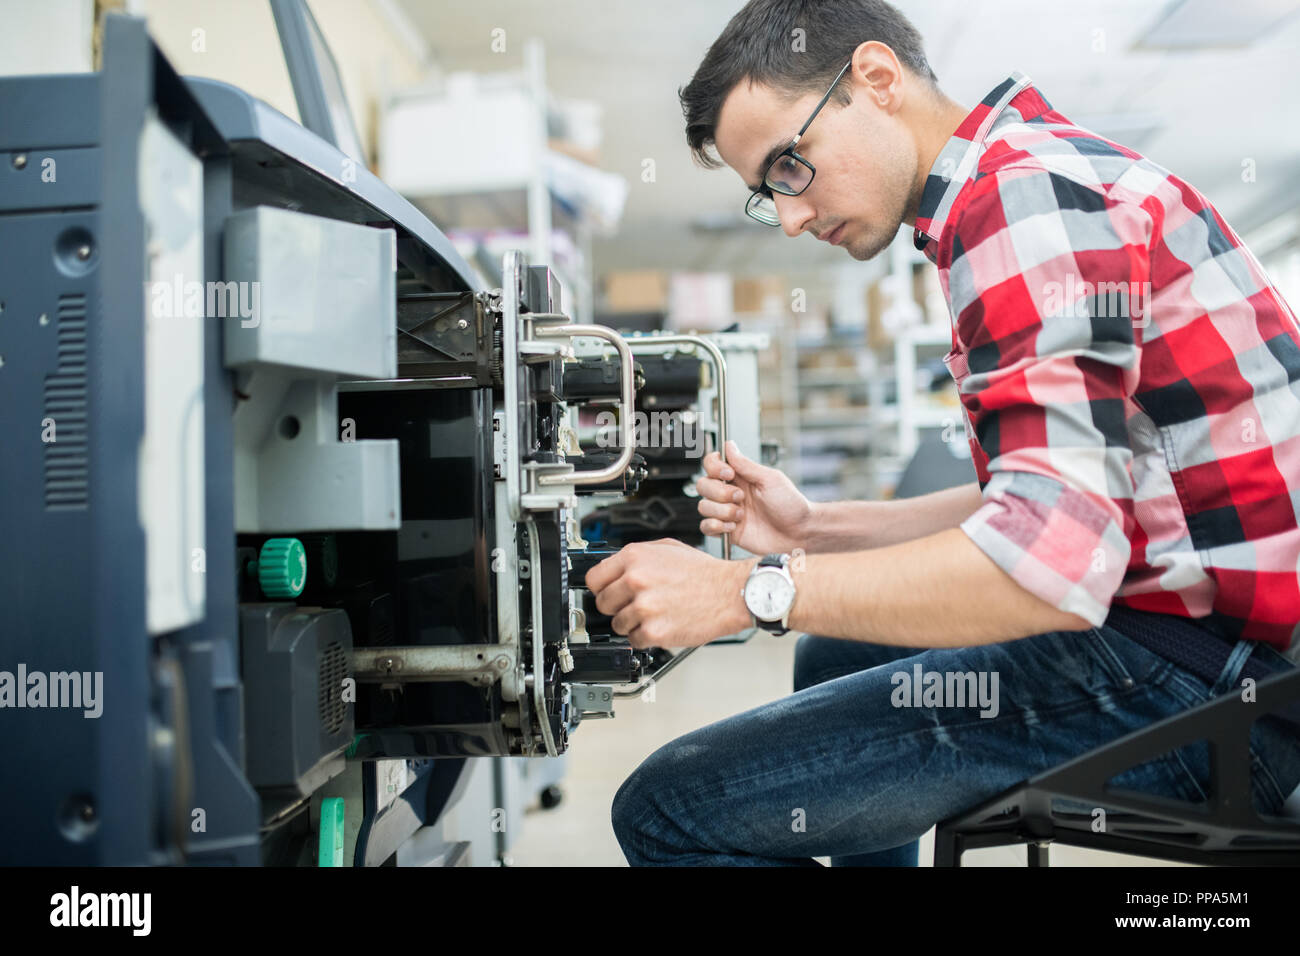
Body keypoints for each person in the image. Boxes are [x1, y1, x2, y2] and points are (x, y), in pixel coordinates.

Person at [583, 0, 1300, 865]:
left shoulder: (1020, 203)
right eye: (767, 195)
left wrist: (748, 592)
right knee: (833, 654)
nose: (794, 216)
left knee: (668, 808)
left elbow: (1047, 571)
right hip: (1217, 649)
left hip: (1214, 693)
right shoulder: (1028, 177)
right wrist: (819, 531)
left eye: (789, 166)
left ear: (877, 80)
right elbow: (1069, 499)